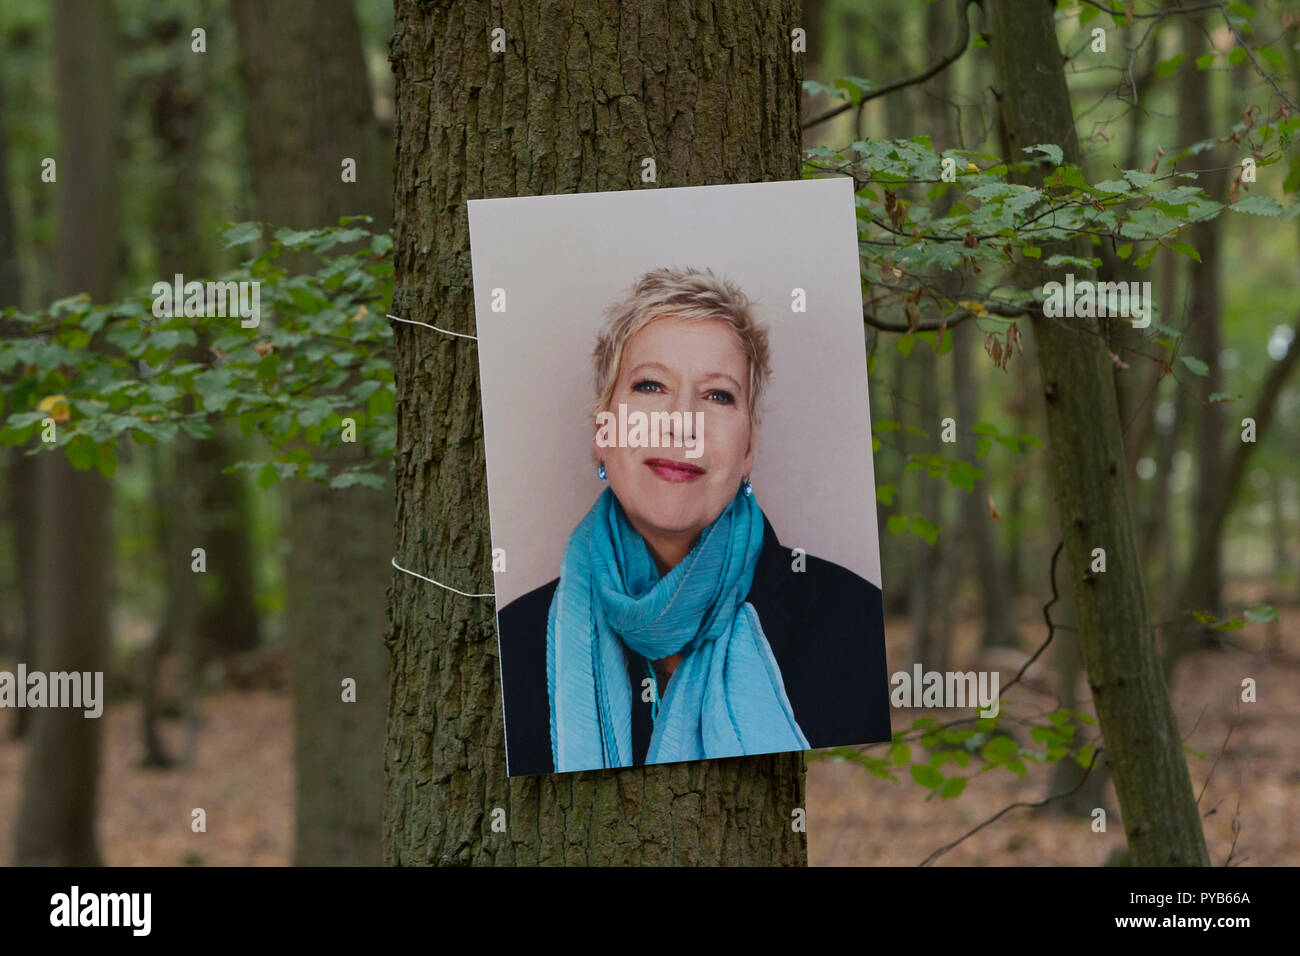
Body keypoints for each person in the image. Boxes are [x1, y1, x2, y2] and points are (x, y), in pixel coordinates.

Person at [496, 267, 890, 775]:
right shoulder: (510, 644)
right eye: (651, 385)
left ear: (748, 449)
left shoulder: (857, 626)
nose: (682, 423)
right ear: (602, 431)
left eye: (718, 395)